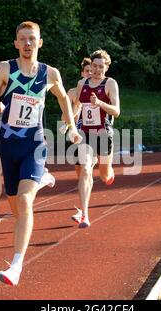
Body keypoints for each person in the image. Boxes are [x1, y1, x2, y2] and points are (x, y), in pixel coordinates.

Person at [0, 21, 81, 286]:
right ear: (15, 43)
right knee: (13, 204)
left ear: (39, 42)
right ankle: (43, 178)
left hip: (34, 144)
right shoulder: (4, 69)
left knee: (24, 202)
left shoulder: (50, 74)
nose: (27, 44)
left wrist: (71, 127)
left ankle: (16, 265)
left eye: (31, 39)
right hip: (8, 145)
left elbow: (62, 99)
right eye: (22, 39)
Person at [71, 49, 120, 228]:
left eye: (101, 67)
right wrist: (69, 121)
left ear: (106, 68)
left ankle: (109, 172)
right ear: (90, 66)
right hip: (84, 133)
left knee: (105, 175)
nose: (97, 70)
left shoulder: (110, 83)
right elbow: (77, 107)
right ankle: (85, 214)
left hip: (103, 132)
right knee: (85, 169)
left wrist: (99, 103)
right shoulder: (82, 83)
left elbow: (117, 111)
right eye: (94, 66)